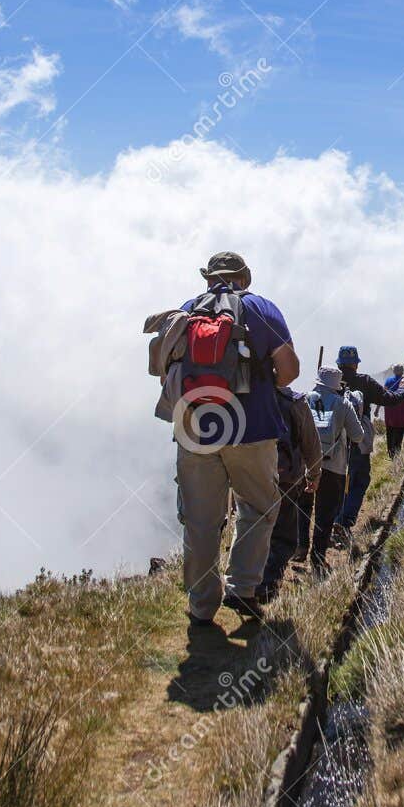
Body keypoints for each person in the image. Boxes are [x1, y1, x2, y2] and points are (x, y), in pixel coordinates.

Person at [151, 250, 299, 627]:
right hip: (252, 429)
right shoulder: (262, 309)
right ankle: (243, 588)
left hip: (195, 427)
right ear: (244, 278)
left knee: (201, 520)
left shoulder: (186, 311)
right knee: (258, 506)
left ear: (208, 279)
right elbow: (290, 370)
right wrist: (265, 384)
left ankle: (202, 605)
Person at [256, 385, 321, 602]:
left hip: (250, 477)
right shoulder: (295, 402)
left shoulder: (247, 396)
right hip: (287, 478)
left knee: (253, 529)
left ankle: (244, 583)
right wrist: (314, 474)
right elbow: (311, 444)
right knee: (283, 534)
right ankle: (267, 586)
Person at [334, 345, 404, 532]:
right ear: (356, 365)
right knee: (359, 479)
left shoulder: (328, 380)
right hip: (357, 438)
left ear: (339, 363)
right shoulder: (364, 381)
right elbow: (390, 399)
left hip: (331, 440)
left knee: (335, 480)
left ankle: (331, 520)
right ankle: (344, 521)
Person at [306, 364, 363, 574]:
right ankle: (318, 558)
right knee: (325, 513)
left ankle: (299, 548)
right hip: (333, 466)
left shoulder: (305, 399)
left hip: (306, 464)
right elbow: (358, 436)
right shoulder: (343, 404)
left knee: (302, 509)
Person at [382, 365, 404, 458]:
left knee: (390, 430)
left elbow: (383, 394)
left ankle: (390, 452)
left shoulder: (388, 380)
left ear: (393, 371)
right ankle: (397, 451)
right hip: (402, 409)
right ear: (402, 371)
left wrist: (378, 409)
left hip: (390, 409)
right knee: (400, 429)